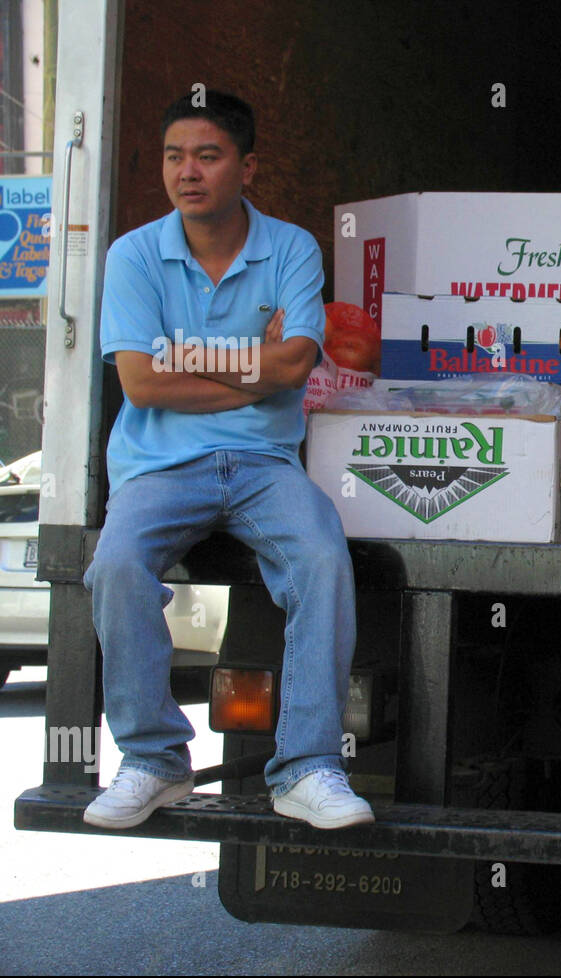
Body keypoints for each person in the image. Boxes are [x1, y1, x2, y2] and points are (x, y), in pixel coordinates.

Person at [82, 90, 373, 831]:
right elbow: (141, 384)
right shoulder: (135, 255)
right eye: (175, 155)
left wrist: (193, 361)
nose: (188, 171)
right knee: (115, 567)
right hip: (157, 465)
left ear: (247, 166)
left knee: (320, 557)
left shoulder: (293, 247)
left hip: (262, 464)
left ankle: (307, 766)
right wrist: (256, 363)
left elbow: (298, 364)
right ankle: (153, 759)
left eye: (208, 155)